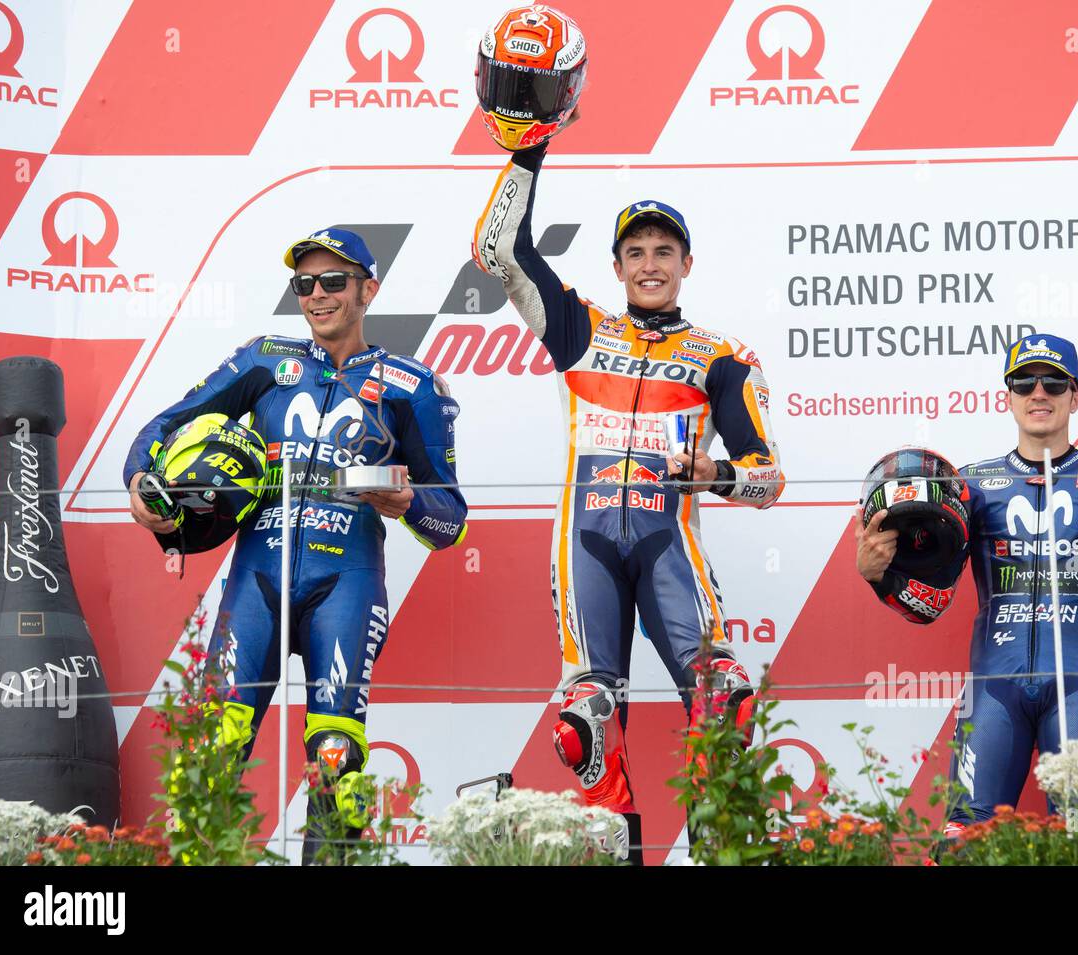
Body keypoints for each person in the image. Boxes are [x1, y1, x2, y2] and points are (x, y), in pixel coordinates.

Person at [472, 114, 785, 861]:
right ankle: (617, 850)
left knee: (723, 702)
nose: (650, 263)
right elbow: (499, 250)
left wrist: (718, 475)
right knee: (581, 723)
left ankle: (720, 845)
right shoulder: (580, 331)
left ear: (687, 262)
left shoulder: (722, 357)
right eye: (636, 251)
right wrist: (531, 142)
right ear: (617, 266)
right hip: (585, 549)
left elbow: (769, 478)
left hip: (668, 546)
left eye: (663, 251)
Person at [125, 228, 467, 860]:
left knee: (338, 761)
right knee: (212, 750)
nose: (317, 295)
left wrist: (408, 501)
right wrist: (142, 482)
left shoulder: (411, 384)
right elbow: (164, 425)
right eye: (304, 283)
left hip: (347, 585)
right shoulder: (263, 360)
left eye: (333, 282)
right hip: (255, 578)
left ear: (370, 289)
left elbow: (452, 521)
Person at [855, 334, 1078, 832]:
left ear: (1075, 396)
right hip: (994, 691)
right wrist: (881, 578)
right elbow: (928, 606)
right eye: (1024, 382)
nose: (1038, 393)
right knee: (964, 837)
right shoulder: (965, 486)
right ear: (1008, 397)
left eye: (1054, 382)